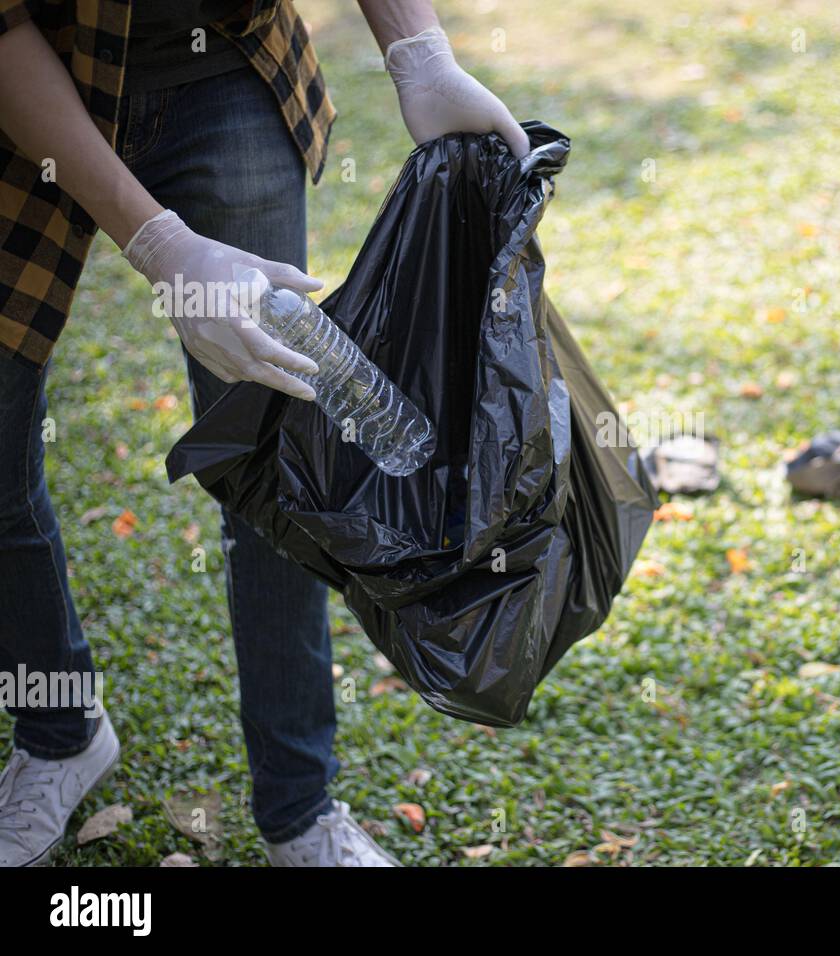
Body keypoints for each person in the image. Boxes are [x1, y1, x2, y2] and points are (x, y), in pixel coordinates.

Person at [0, 0, 527, 867]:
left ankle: (301, 809)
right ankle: (59, 732)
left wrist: (418, 51)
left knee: (280, 460)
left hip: (217, 66)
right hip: (29, 87)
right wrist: (164, 248)